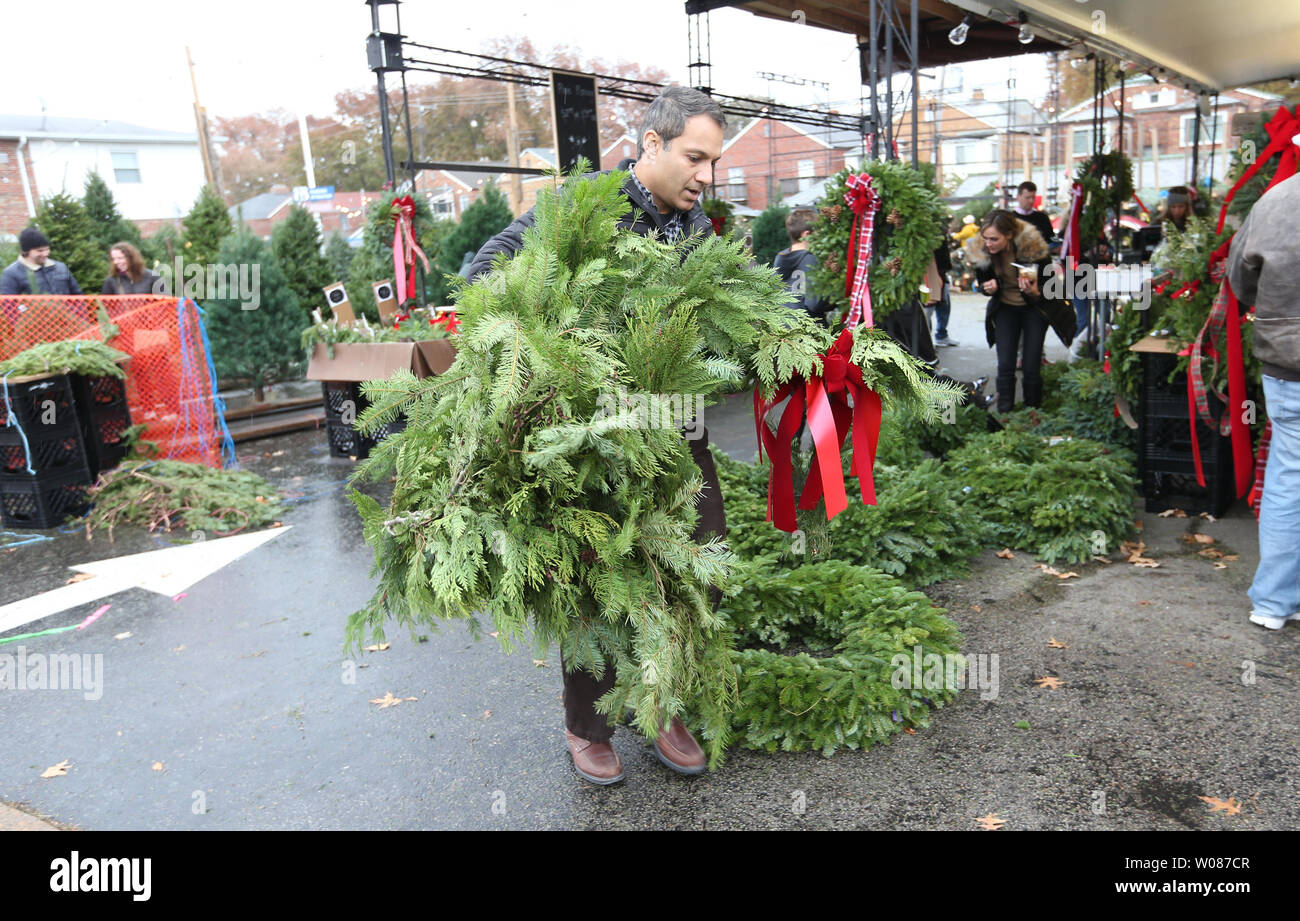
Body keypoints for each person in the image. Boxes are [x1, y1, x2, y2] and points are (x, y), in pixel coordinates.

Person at [467, 86, 724, 785]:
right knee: (598, 577)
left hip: (678, 423)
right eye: (695, 158)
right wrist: (555, 341)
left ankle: (662, 702)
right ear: (651, 146)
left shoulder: (699, 227)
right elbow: (482, 268)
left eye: (714, 162)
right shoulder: (583, 202)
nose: (706, 175)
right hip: (596, 430)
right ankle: (588, 724)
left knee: (695, 560)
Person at [1225, 172, 1300, 631]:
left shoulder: (1277, 199)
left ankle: (1274, 602)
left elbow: (1240, 276)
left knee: (1289, 480)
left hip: (1287, 358)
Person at [966, 210, 1054, 413]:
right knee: (1005, 365)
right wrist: (987, 287)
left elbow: (1050, 286)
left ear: (1009, 235)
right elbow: (982, 283)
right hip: (1005, 309)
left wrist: (1035, 291)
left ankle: (1033, 412)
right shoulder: (982, 252)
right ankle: (1005, 414)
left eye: (994, 239)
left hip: (1033, 309)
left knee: (1032, 366)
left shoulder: (1033, 248)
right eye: (986, 238)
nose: (989, 243)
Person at [772, 208, 832, 325]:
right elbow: (815, 303)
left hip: (783, 331)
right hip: (810, 332)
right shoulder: (811, 259)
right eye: (819, 234)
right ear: (807, 235)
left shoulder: (779, 258)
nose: (821, 239)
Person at [0, 227, 84, 296]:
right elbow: (9, 307)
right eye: (39, 251)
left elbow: (78, 296)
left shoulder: (60, 267)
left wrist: (78, 315)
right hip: (33, 316)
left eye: (47, 249)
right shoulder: (11, 274)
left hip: (66, 316)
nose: (45, 254)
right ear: (26, 252)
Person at [1013, 181, 1056, 245]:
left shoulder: (1043, 218)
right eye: (1027, 198)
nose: (1031, 201)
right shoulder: (1010, 219)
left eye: (1033, 197)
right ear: (1018, 197)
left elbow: (1051, 240)